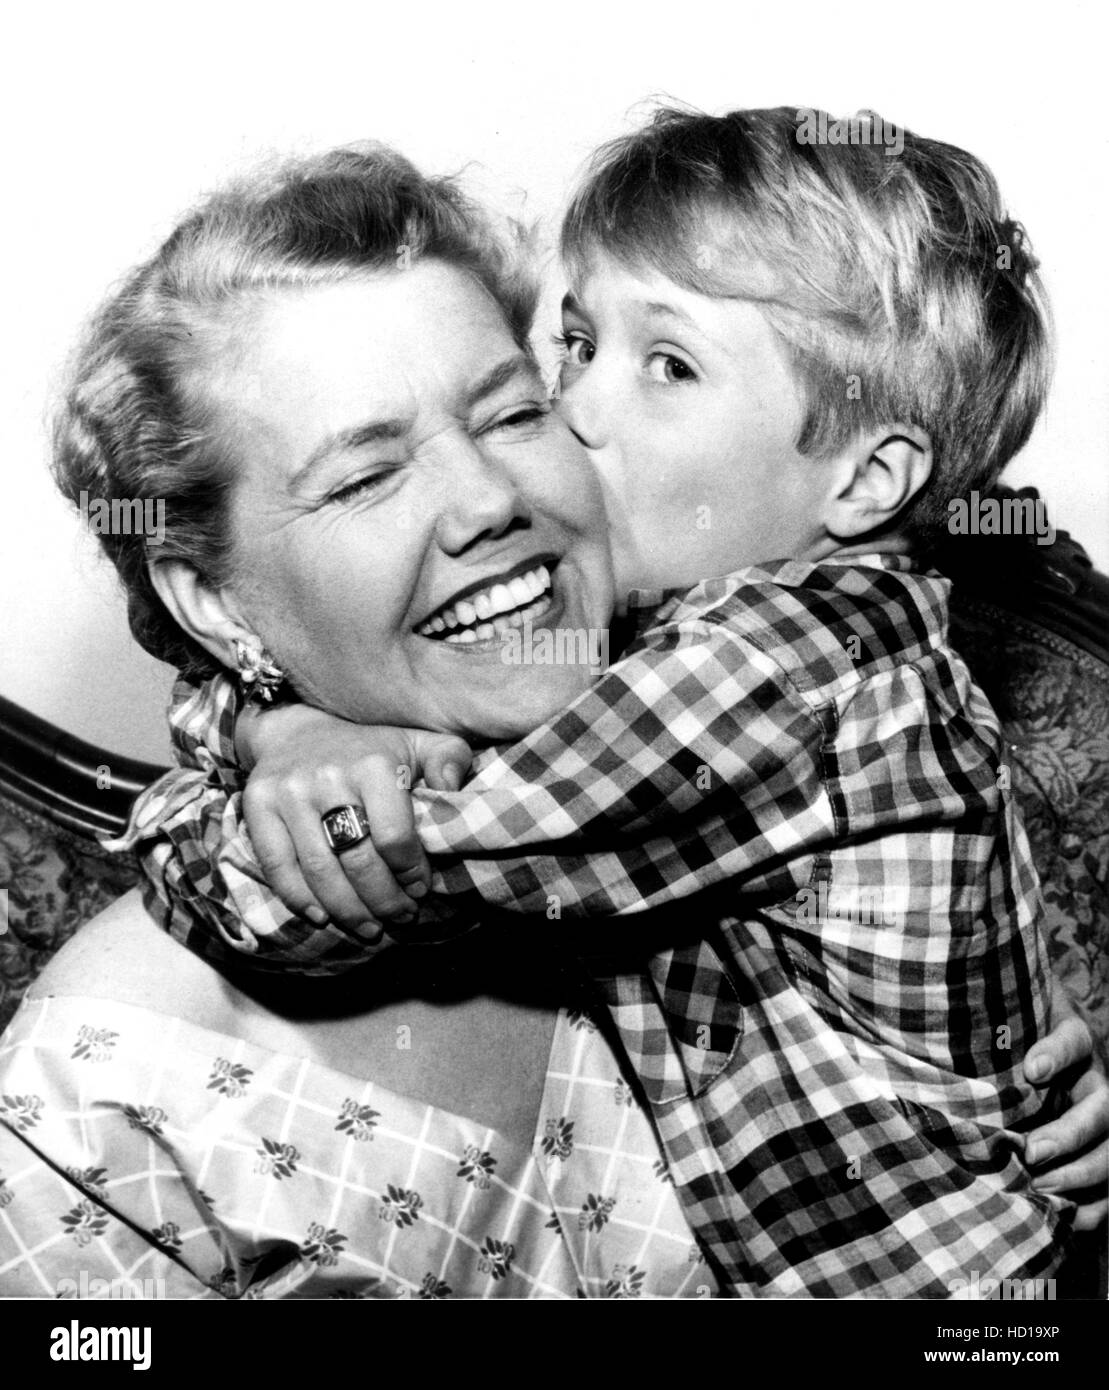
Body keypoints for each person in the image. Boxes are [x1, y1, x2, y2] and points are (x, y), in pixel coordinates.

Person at [100, 112, 1106, 1295]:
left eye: (665, 366)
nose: (571, 409)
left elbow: (350, 872)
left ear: (867, 478)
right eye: (572, 345)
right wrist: (282, 722)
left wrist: (210, 812)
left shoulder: (770, 670)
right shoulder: (712, 622)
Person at [0, 147, 710, 1299]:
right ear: (212, 599)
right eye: (364, 478)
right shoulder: (106, 1082)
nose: (490, 501)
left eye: (512, 412)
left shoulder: (744, 772)